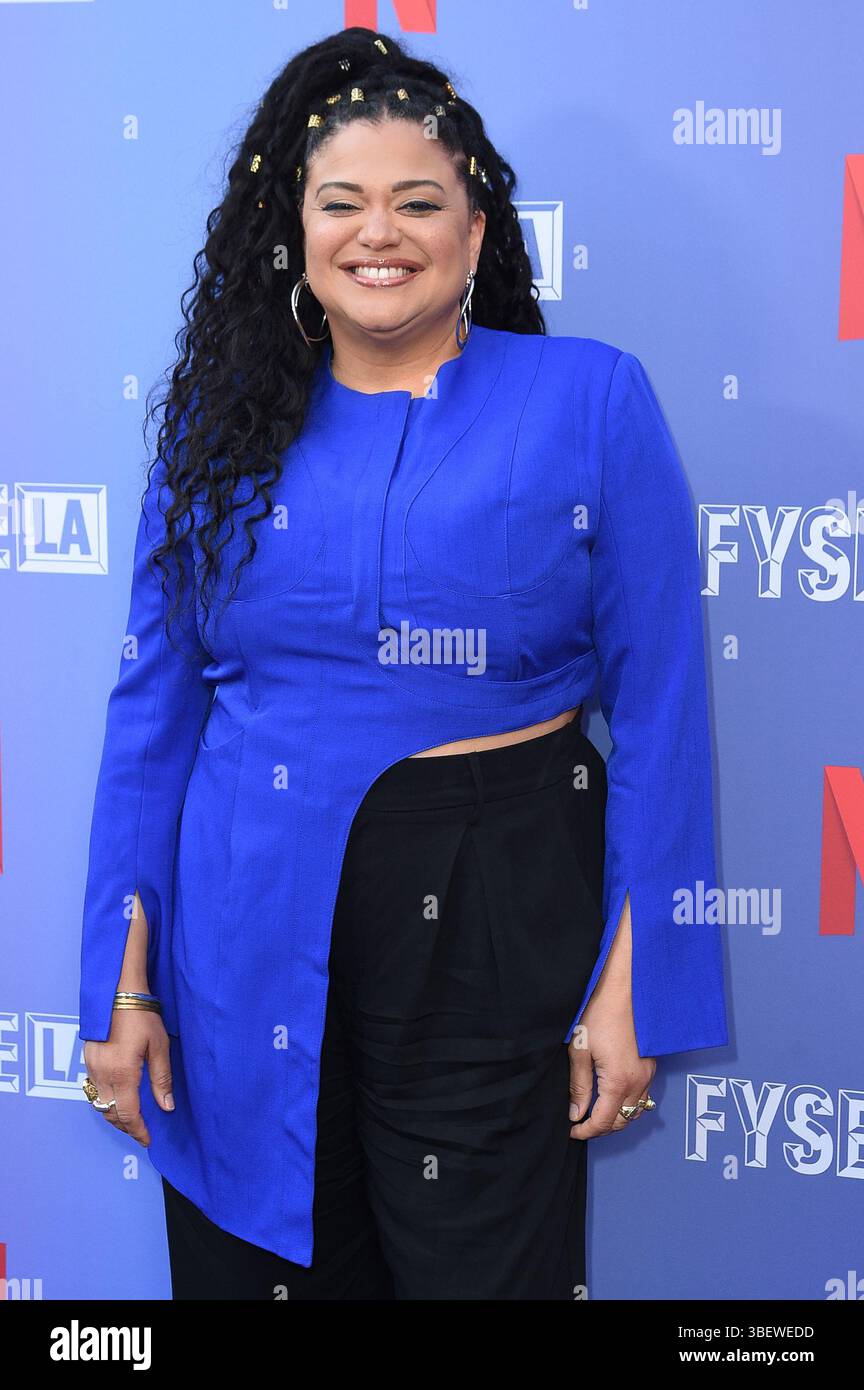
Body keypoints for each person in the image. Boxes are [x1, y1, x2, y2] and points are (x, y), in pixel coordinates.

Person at [77, 26, 728, 1301]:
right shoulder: (218, 437)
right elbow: (150, 719)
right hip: (243, 934)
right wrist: (119, 980)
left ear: (478, 233)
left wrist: (641, 976)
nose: (382, 233)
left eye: (420, 201)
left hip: (495, 931)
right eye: (343, 204)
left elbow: (660, 710)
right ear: (297, 235)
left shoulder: (591, 401)